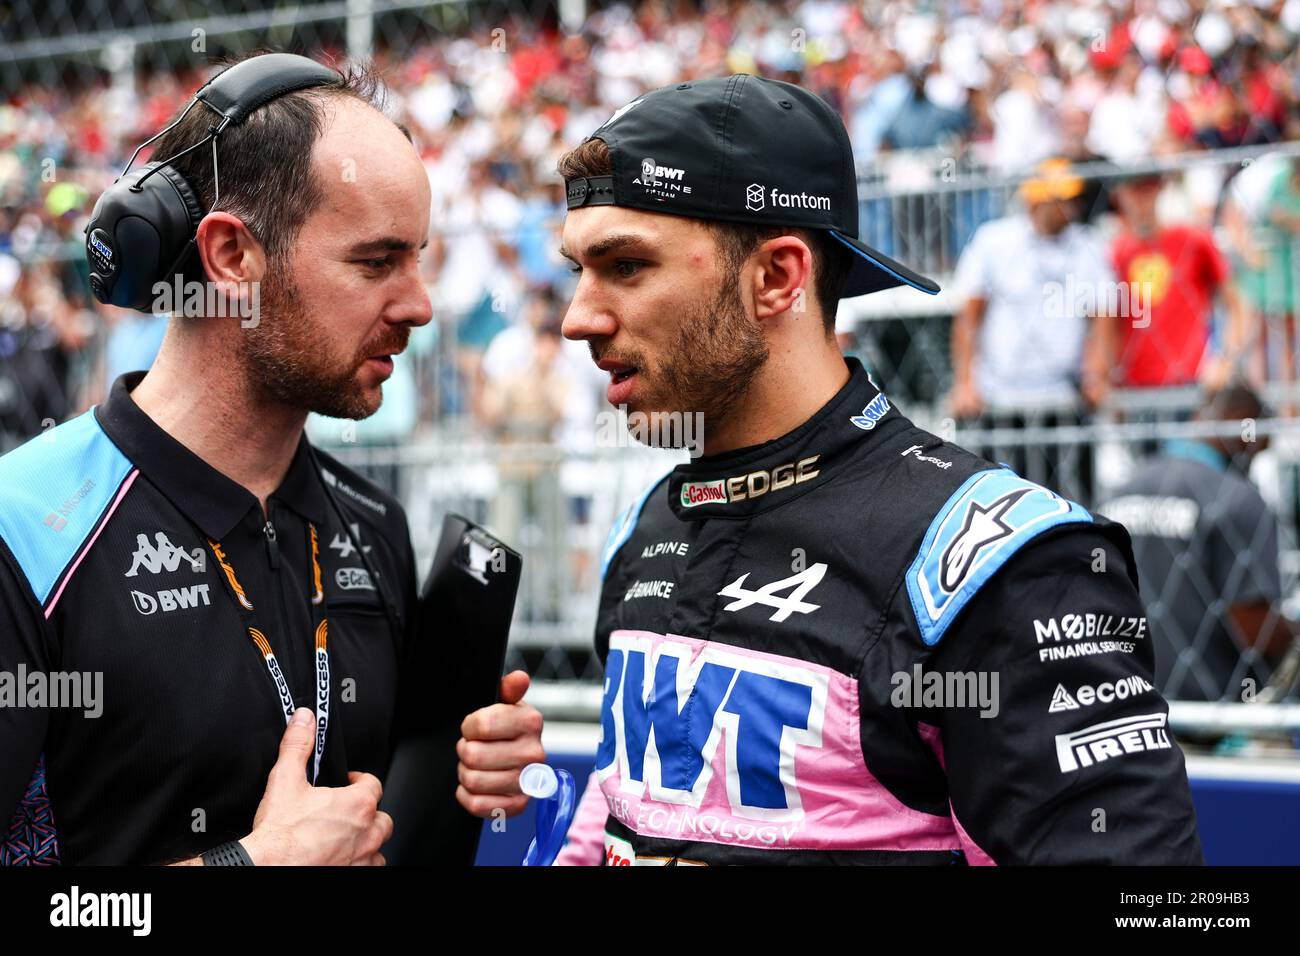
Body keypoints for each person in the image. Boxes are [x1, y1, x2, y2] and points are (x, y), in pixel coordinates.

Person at [552, 74, 1201, 865]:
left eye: (624, 267)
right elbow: (622, 810)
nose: (577, 317)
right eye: (576, 271)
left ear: (777, 278)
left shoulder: (998, 561)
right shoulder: (649, 524)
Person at [0, 54, 544, 866]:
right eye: (375, 262)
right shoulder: (25, 529)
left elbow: (371, 816)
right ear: (231, 258)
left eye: (420, 258)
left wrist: (457, 766)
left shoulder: (370, 524)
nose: (420, 306)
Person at [1099, 386, 1296, 702]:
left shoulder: (1122, 489)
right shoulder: (1236, 498)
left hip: (1127, 696)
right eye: (1258, 447)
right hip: (1213, 705)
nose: (1254, 460)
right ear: (1240, 423)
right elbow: (1256, 632)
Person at [948, 157, 1115, 498]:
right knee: (1002, 502)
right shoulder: (994, 241)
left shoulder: (1088, 246)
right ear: (1036, 201)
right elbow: (969, 316)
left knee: (1071, 502)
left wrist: (1096, 373)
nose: (1071, 207)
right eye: (1061, 199)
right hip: (1000, 401)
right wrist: (965, 382)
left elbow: (1103, 316)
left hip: (1063, 400)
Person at [1109, 172, 1250, 391]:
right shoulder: (1115, 253)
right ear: (1120, 195)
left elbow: (1237, 305)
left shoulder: (1192, 241)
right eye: (1133, 190)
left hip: (1188, 380)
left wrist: (1225, 360)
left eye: (1147, 189)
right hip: (1132, 383)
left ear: (1159, 190)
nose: (1140, 199)